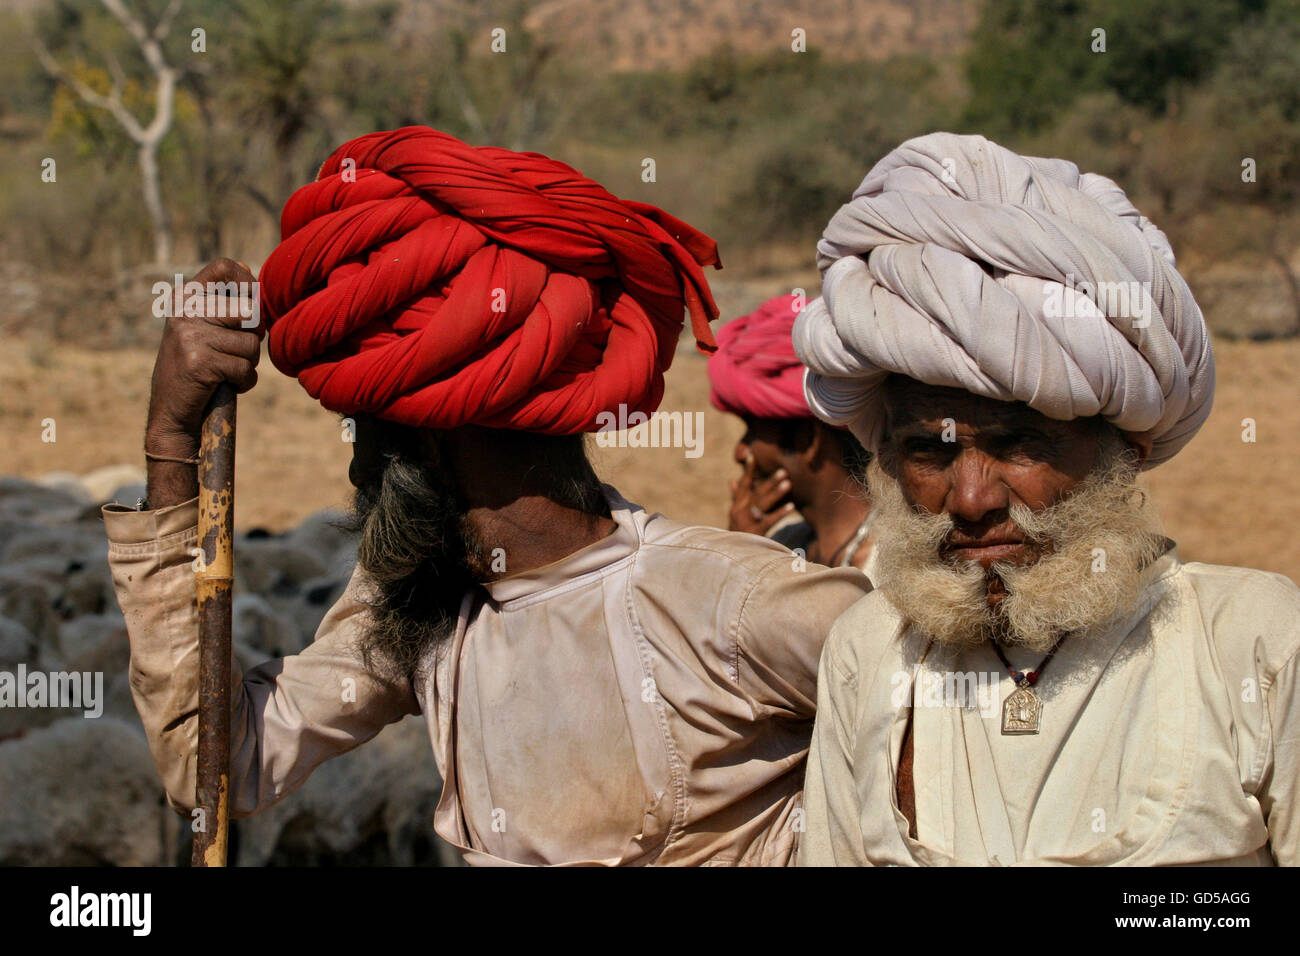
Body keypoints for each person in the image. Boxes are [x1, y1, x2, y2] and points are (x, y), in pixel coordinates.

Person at [104, 126, 869, 866]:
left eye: (366, 433)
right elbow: (220, 767)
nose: (357, 469)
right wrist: (172, 439)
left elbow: (942, 760)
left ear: (429, 441)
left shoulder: (737, 604)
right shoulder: (423, 608)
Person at [793, 132, 1300, 866]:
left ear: (1125, 449)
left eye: (1020, 441)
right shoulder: (869, 651)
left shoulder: (1255, 643)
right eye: (930, 451)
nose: (969, 498)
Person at [708, 294, 875, 574]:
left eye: (753, 433)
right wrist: (737, 555)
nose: (740, 452)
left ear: (808, 441)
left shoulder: (892, 568)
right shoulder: (782, 547)